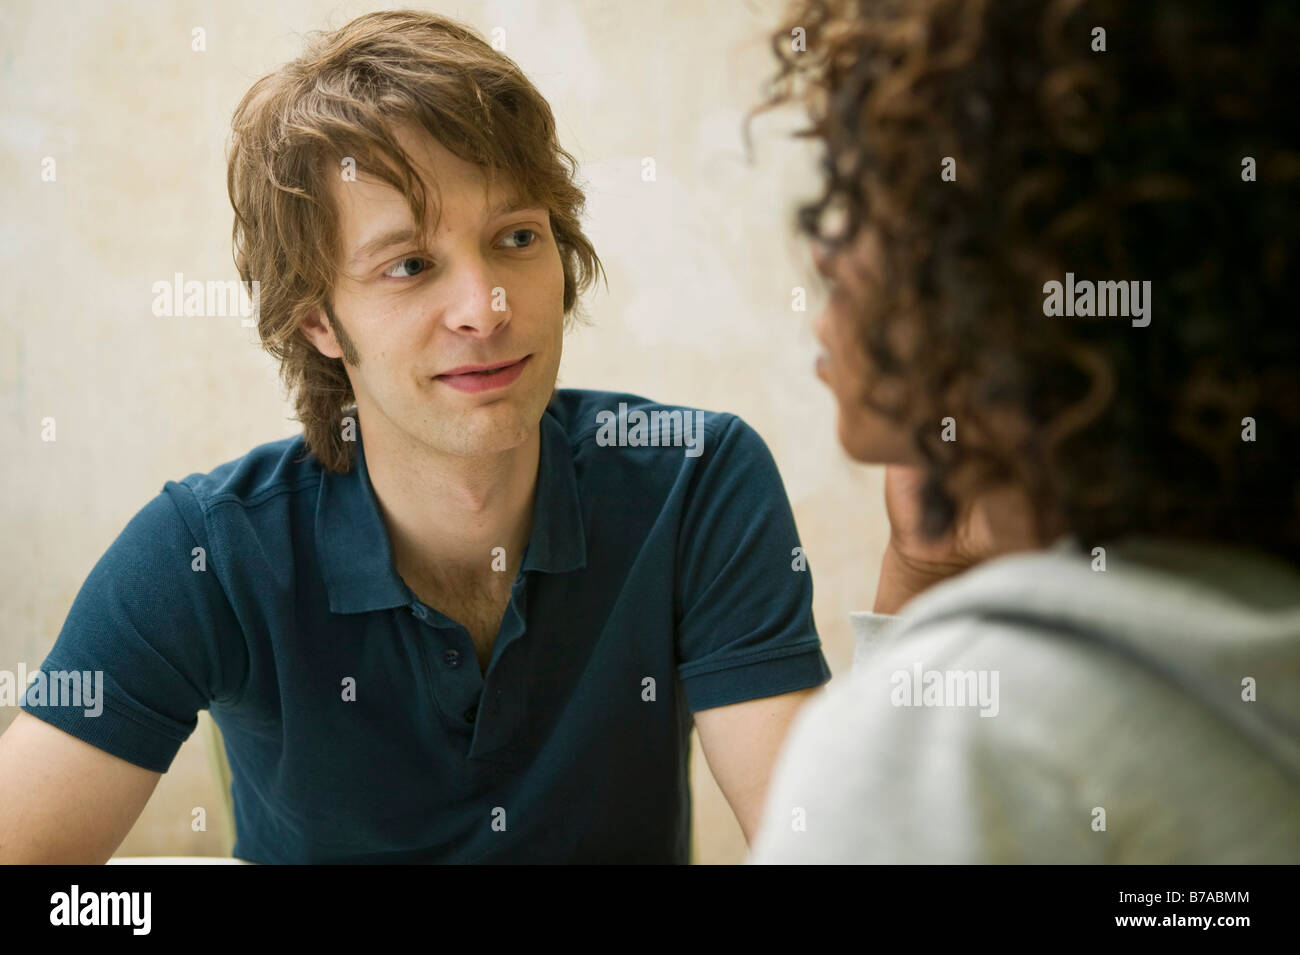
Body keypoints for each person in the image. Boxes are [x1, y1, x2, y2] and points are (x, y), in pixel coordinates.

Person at [0, 10, 830, 864]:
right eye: (409, 264)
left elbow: (831, 848)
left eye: (516, 238)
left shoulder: (695, 484)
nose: (487, 308)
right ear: (317, 317)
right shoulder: (206, 553)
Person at [748, 0, 1300, 862]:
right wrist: (923, 577)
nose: (825, 251)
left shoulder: (953, 746)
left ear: (998, 264)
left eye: (864, 189)